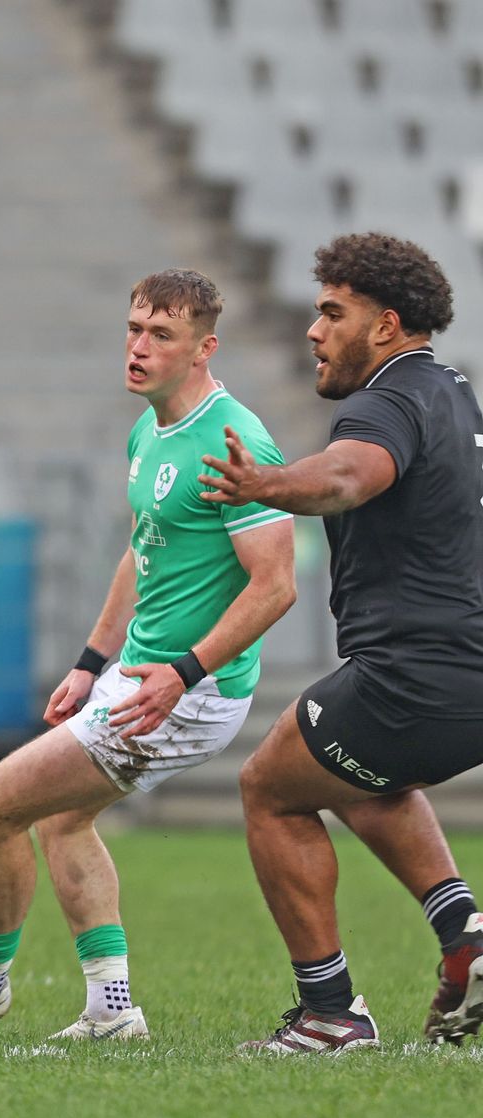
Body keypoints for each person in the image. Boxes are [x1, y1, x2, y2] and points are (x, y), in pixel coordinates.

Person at [0, 269, 296, 1040]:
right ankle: (111, 1011)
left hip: (185, 692)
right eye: (134, 328)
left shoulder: (235, 439)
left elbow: (275, 586)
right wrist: (88, 662)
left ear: (205, 349)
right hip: (136, 676)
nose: (137, 347)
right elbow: (145, 553)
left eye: (160, 335)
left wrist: (184, 672)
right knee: (61, 819)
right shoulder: (150, 429)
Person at [199, 233, 483, 1054]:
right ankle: (463, 933)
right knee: (360, 772)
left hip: (415, 673)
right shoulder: (455, 392)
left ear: (387, 325)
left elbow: (350, 476)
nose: (315, 330)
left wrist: (265, 484)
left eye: (333, 312)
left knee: (269, 787)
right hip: (461, 672)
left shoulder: (382, 402)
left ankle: (331, 1012)